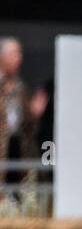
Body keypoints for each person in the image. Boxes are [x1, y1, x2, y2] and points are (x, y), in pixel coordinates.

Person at [0, 38, 35, 193]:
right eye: (14, 53)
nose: (19, 58)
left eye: (19, 53)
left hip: (17, 148)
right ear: (2, 57)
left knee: (15, 194)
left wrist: (34, 113)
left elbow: (28, 124)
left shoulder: (21, 88)